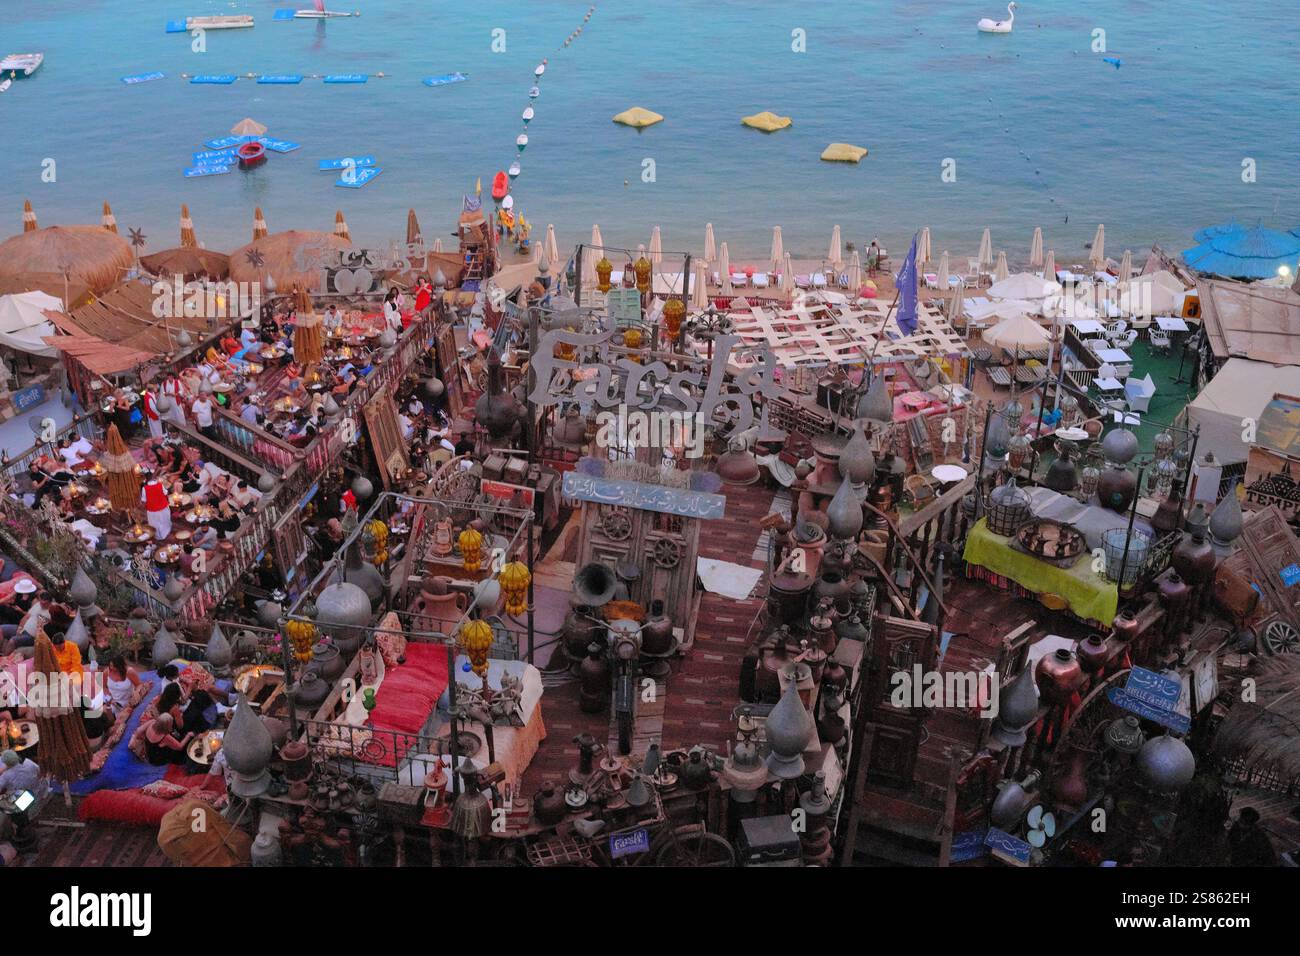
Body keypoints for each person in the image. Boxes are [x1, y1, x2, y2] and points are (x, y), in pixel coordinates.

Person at [141, 476, 172, 541]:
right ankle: (166, 531)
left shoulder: (144, 488)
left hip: (152, 510)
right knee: (164, 520)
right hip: (163, 507)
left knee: (155, 523)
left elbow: (144, 500)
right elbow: (165, 493)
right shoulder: (160, 485)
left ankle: (158, 535)